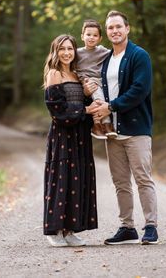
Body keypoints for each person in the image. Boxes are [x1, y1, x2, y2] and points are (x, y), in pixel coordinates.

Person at [88, 10, 158, 245]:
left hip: (136, 129)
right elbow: (101, 89)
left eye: (119, 26)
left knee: (143, 179)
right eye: (110, 28)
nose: (115, 31)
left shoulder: (139, 55)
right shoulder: (106, 59)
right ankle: (127, 227)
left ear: (127, 29)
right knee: (120, 182)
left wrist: (112, 106)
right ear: (106, 33)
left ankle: (151, 226)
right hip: (112, 131)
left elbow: (140, 90)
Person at [43, 34, 98, 247]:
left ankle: (69, 230)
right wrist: (84, 108)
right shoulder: (54, 73)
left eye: (70, 49)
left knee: (78, 179)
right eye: (62, 49)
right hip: (62, 135)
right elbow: (56, 109)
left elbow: (83, 103)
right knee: (61, 180)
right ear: (55, 51)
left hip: (80, 135)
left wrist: (86, 96)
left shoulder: (76, 74)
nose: (67, 52)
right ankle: (53, 230)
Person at [76, 19, 117, 140]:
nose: (91, 38)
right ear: (82, 36)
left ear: (100, 38)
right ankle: (104, 124)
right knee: (98, 96)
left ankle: (102, 124)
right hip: (88, 81)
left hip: (102, 81)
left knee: (109, 97)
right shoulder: (77, 53)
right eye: (88, 34)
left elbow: (117, 53)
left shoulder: (102, 51)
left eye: (95, 35)